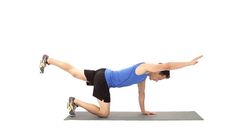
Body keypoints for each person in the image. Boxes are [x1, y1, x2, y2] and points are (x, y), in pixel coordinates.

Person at [40, 54, 203, 118]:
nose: (158, 81)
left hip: (103, 73)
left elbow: (141, 95)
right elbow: (167, 64)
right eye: (160, 79)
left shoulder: (143, 76)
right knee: (104, 113)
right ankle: (74, 101)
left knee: (74, 72)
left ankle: (48, 60)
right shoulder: (146, 67)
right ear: (159, 72)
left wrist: (143, 110)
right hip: (105, 80)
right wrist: (188, 63)